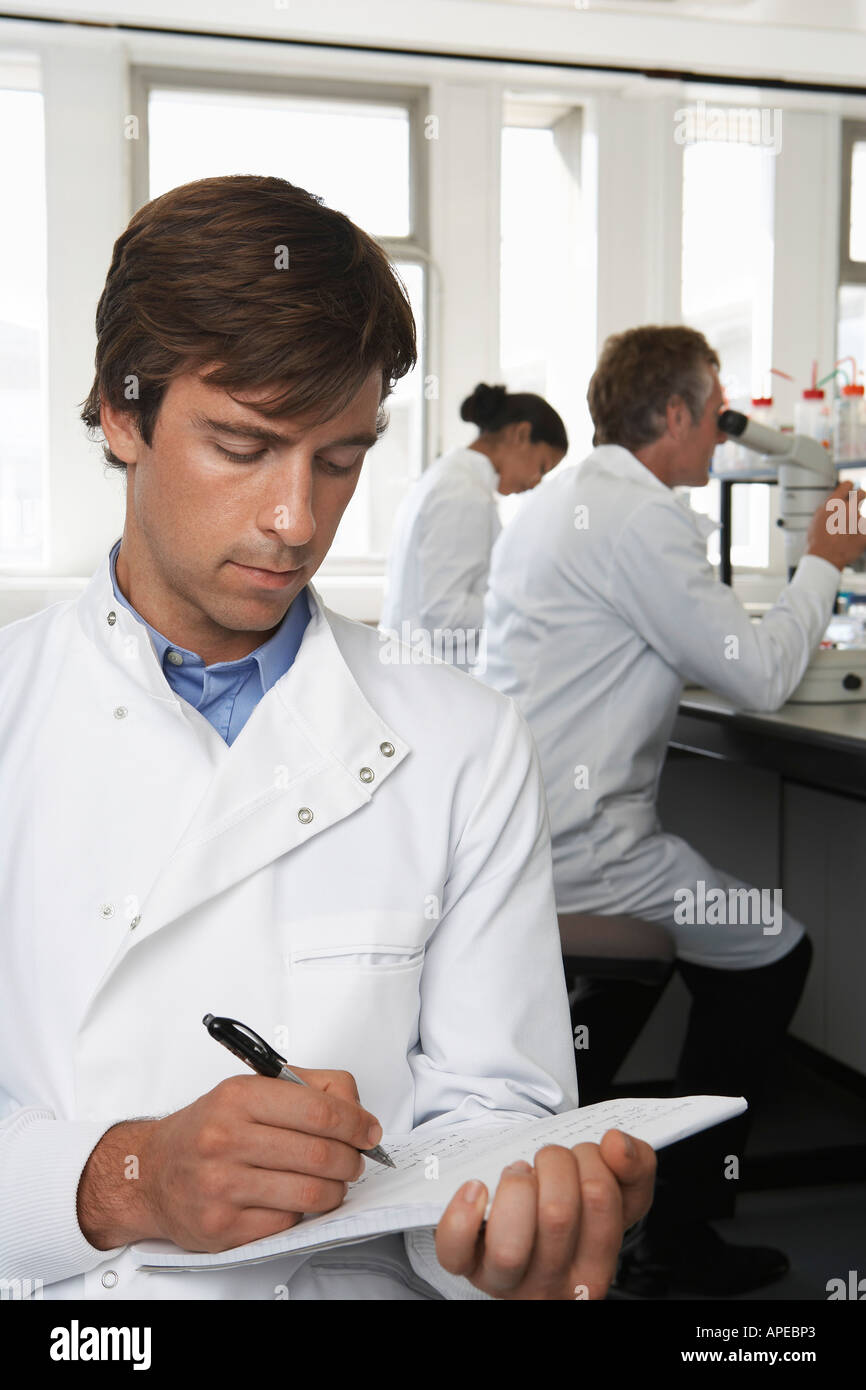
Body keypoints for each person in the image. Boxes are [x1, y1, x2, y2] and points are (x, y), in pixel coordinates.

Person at [0, 176, 654, 1302]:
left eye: (339, 459)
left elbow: (494, 1115)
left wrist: (514, 1234)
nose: (297, 520)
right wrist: (126, 1178)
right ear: (121, 410)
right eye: (244, 446)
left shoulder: (463, 742)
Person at [477, 324, 866, 1297]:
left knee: (689, 956)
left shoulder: (567, 497)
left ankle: (616, 1160)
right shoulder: (637, 518)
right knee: (773, 949)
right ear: (678, 414)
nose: (721, 431)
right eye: (715, 406)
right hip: (584, 848)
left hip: (519, 832)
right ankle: (679, 1224)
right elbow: (764, 676)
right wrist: (823, 556)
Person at [380, 384, 566, 669]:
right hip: (431, 679)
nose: (535, 483)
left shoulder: (450, 478)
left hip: (416, 672)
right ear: (521, 434)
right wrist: (522, 601)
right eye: (541, 467)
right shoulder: (463, 493)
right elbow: (445, 616)